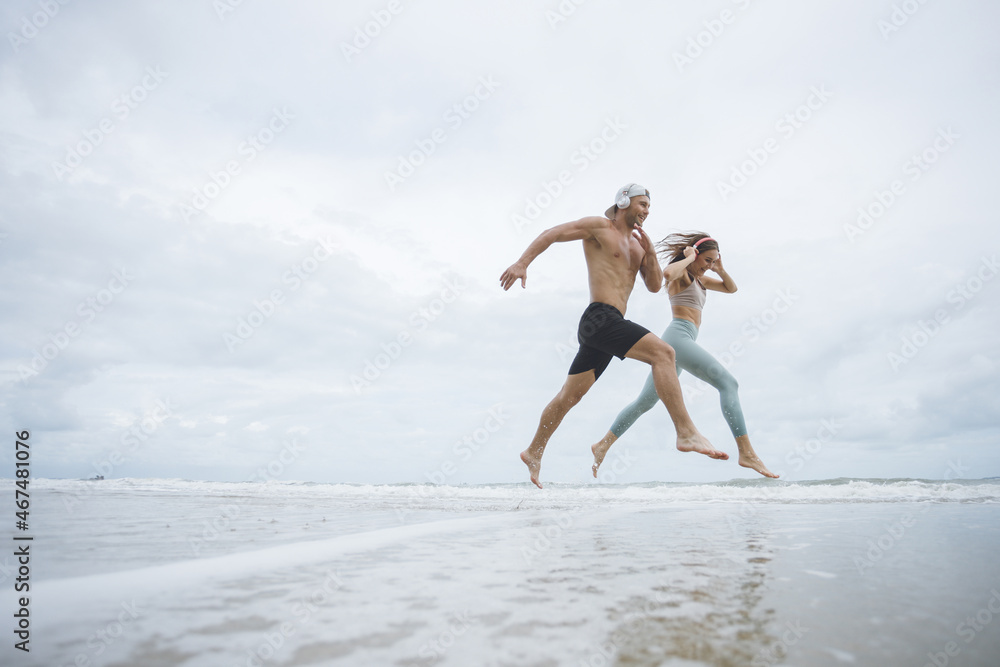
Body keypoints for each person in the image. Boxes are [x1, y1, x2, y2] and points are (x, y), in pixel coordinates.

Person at [499, 185, 728, 489]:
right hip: (599, 316)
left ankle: (534, 451)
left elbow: (653, 284)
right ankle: (685, 431)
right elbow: (552, 233)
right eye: (642, 204)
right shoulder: (599, 227)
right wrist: (522, 262)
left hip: (610, 323)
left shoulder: (637, 245)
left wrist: (649, 254)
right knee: (664, 354)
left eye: (649, 207)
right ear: (623, 201)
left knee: (570, 396)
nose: (646, 211)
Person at [590, 232, 778, 479]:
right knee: (728, 384)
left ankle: (602, 444)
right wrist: (689, 258)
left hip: (683, 340)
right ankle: (747, 453)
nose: (708, 266)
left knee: (645, 402)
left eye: (713, 261)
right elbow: (667, 274)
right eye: (707, 260)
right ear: (695, 255)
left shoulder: (701, 280)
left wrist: (719, 269)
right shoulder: (682, 275)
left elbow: (731, 288)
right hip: (678, 338)